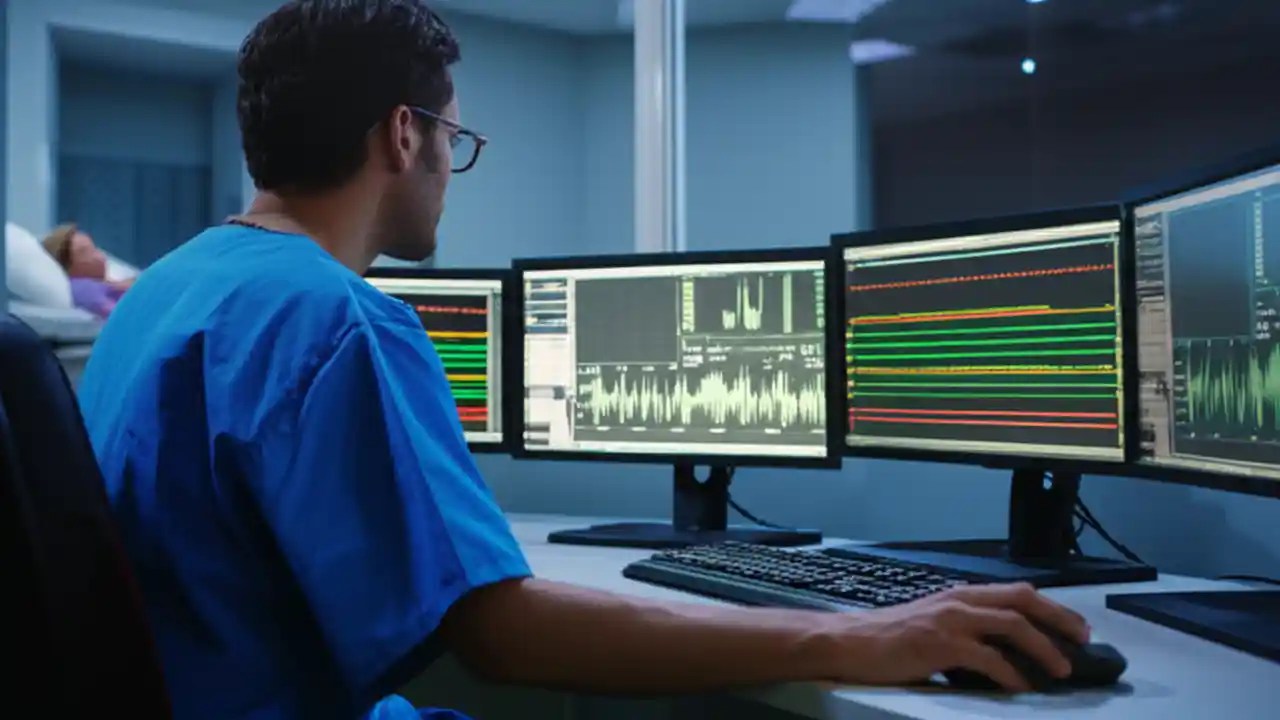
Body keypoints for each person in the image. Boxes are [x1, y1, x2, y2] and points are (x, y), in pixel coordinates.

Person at [76, 2, 1090, 719]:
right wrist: (844, 634)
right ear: (403, 133)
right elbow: (500, 634)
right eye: (453, 144)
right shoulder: (337, 322)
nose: (447, 174)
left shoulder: (165, 289)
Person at [42, 223, 132, 318]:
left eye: (94, 248)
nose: (100, 256)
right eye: (85, 252)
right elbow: (121, 317)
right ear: (66, 267)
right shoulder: (83, 289)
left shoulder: (109, 282)